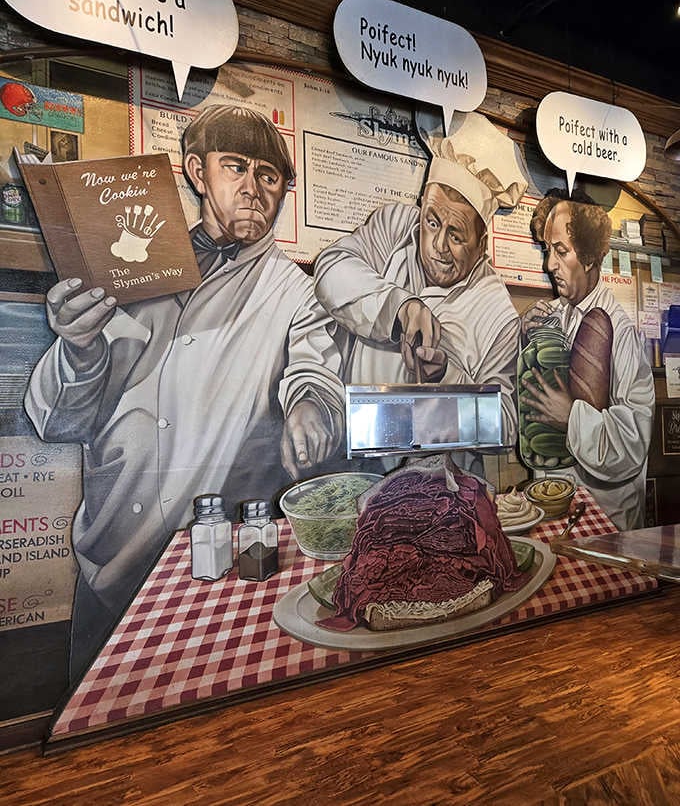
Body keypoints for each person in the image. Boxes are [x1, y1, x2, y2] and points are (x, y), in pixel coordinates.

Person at [25, 105, 346, 679]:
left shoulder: (295, 290)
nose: (253, 188)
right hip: (111, 548)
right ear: (198, 172)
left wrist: (310, 408)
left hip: (219, 560)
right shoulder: (130, 257)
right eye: (236, 167)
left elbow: (313, 368)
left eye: (269, 177)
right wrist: (77, 345)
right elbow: (59, 422)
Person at [314, 111, 528, 475]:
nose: (438, 246)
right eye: (432, 222)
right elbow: (331, 269)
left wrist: (446, 378)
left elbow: (506, 423)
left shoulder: (497, 314)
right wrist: (400, 307)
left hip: (444, 485)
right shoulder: (396, 226)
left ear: (482, 244)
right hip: (356, 468)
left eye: (457, 235)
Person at [520, 189, 655, 530]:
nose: (549, 265)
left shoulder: (620, 331)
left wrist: (571, 417)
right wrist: (525, 341)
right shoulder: (551, 316)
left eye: (561, 252)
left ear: (591, 257)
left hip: (607, 518)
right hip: (555, 506)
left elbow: (633, 443)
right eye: (547, 250)